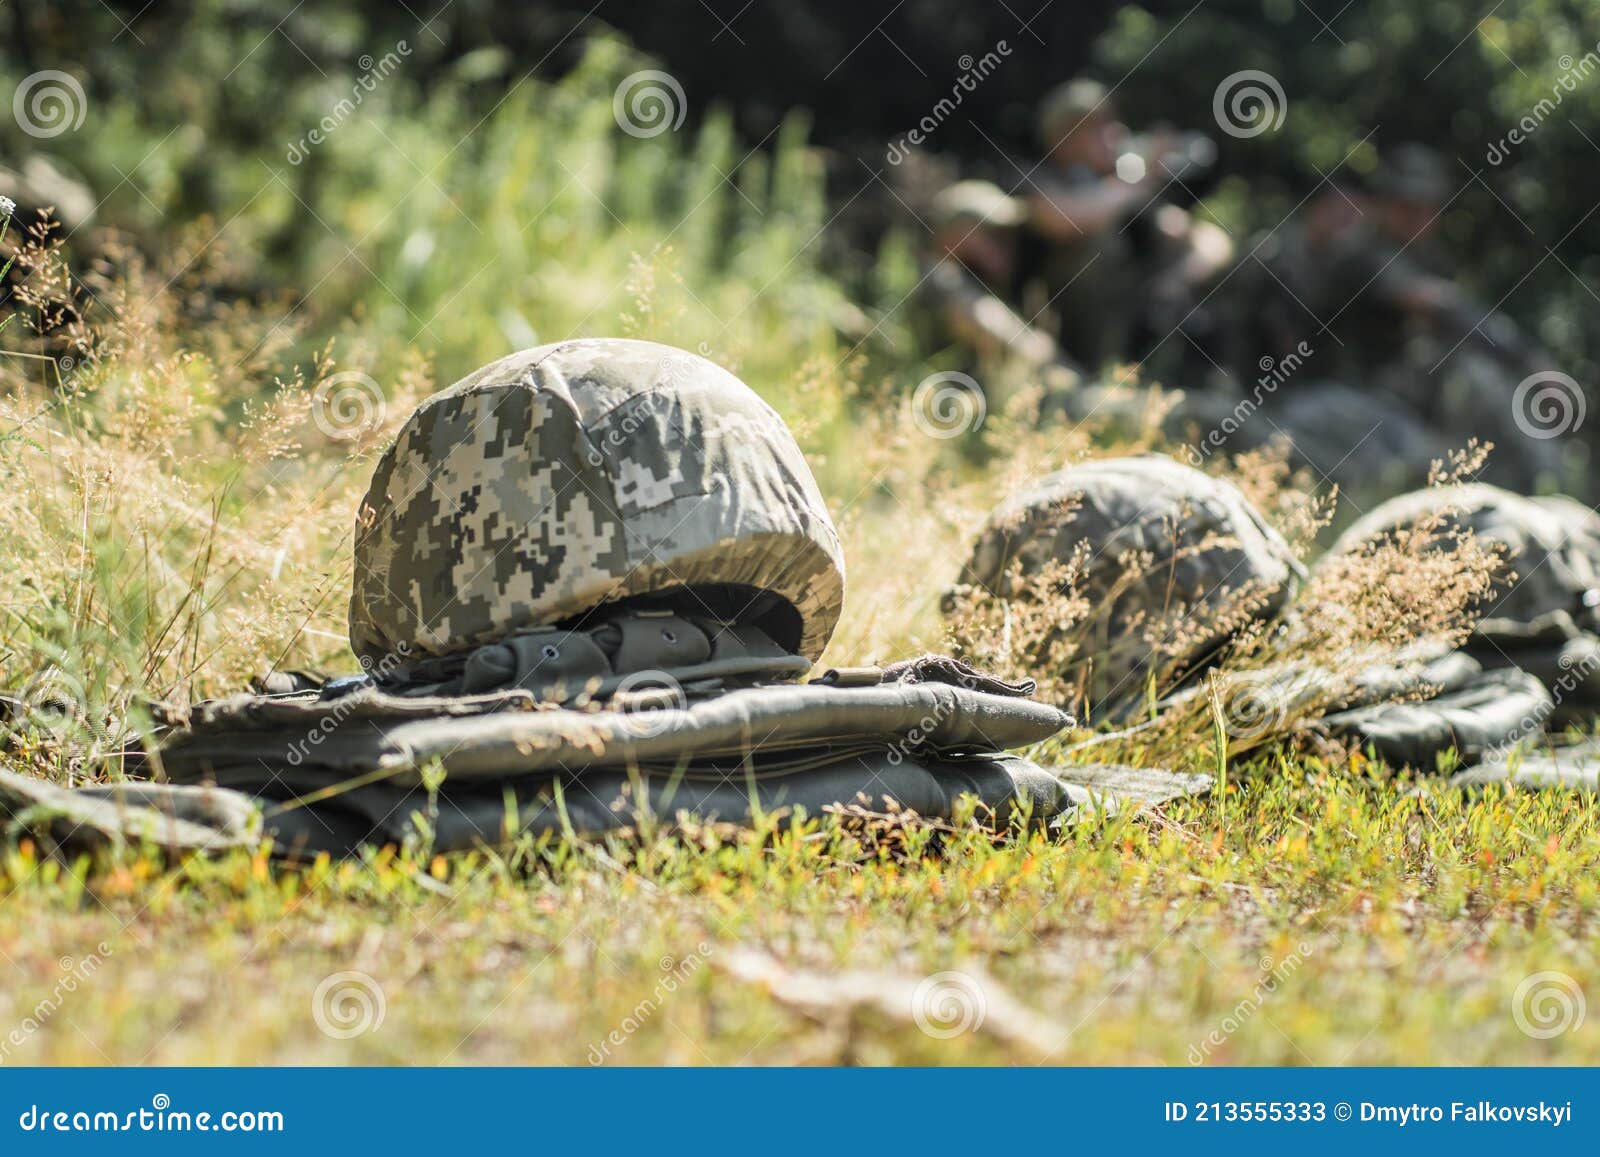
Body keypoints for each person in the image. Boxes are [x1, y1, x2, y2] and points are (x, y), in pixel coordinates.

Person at [920, 179, 1081, 386]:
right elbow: (988, 325)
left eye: (1004, 235)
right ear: (955, 235)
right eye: (990, 233)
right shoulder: (940, 277)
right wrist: (1066, 377)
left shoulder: (975, 277)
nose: (1004, 244)